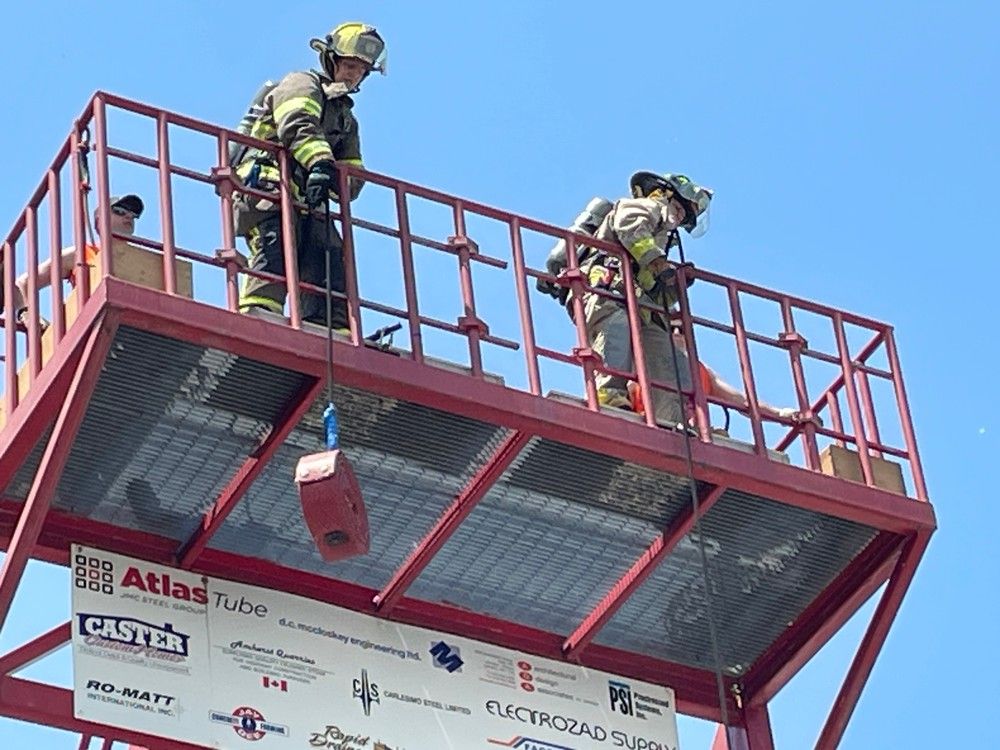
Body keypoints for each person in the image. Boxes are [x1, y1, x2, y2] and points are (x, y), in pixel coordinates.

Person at [233, 22, 387, 331]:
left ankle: (329, 327)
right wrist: (319, 162)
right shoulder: (302, 83)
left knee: (329, 252)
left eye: (361, 71)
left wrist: (336, 181)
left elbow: (353, 175)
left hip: (308, 199)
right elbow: (297, 123)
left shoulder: (345, 118)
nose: (354, 75)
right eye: (349, 66)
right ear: (331, 60)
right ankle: (259, 317)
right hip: (267, 187)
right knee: (275, 244)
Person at [577, 171, 713, 426]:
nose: (681, 218)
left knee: (670, 358)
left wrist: (674, 285)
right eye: (681, 210)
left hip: (638, 303)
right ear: (666, 195)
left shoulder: (661, 236)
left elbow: (652, 288)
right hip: (607, 291)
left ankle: (674, 418)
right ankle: (608, 395)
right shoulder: (644, 207)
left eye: (686, 217)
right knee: (617, 331)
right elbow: (630, 228)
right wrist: (657, 262)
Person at [12, 194, 145, 324]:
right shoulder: (82, 253)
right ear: (99, 219)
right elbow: (23, 283)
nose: (128, 217)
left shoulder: (144, 261)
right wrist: (26, 313)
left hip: (135, 322)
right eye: (119, 211)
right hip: (91, 321)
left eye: (134, 215)